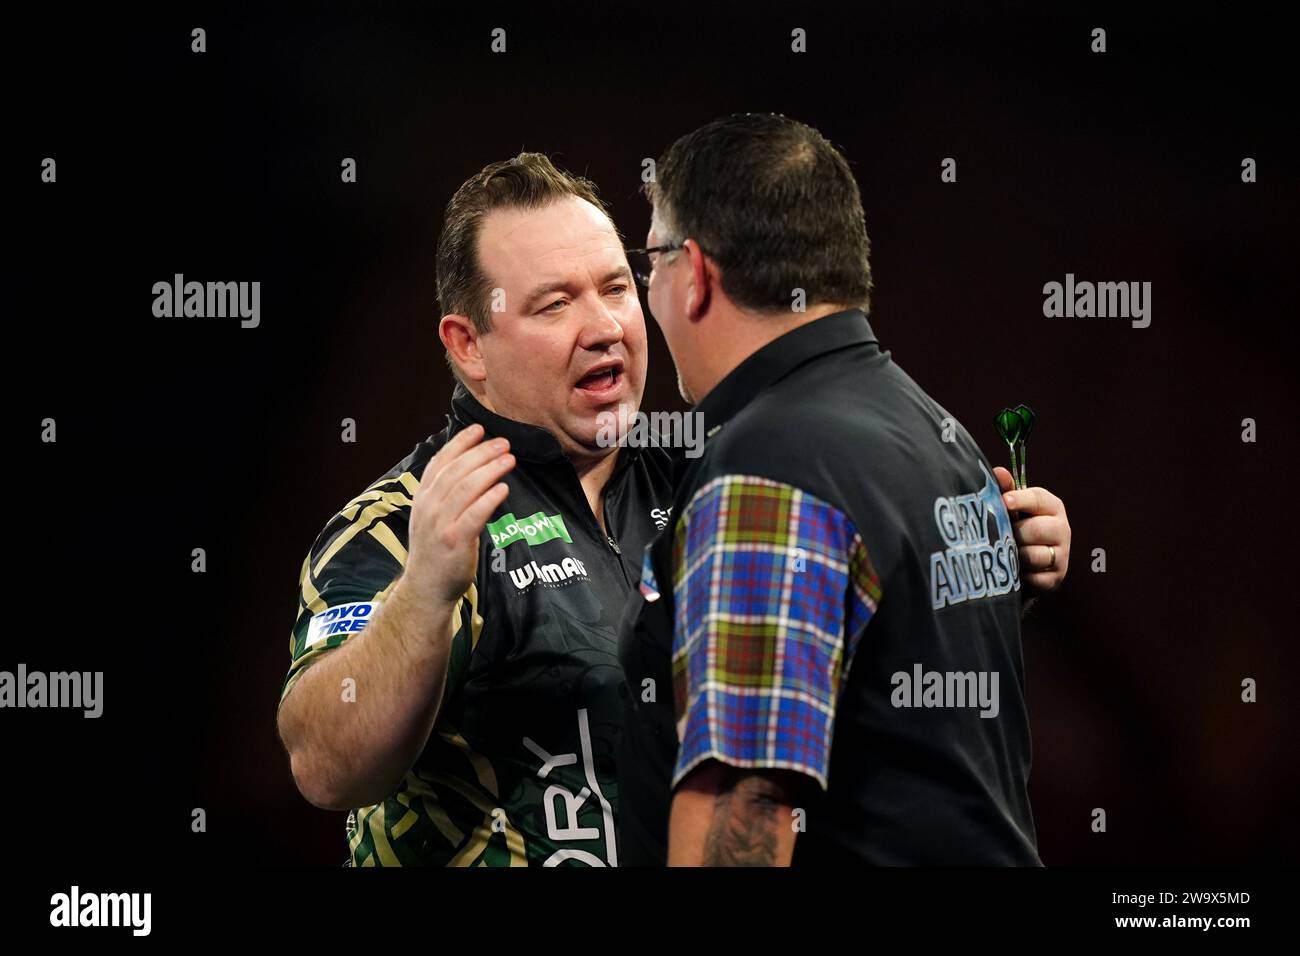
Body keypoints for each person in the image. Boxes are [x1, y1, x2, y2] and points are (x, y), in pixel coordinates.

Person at [617, 113, 1072, 866]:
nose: (646, 294)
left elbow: (747, 803)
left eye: (652, 262)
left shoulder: (768, 466)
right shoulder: (942, 437)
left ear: (695, 274)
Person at [276, 153, 672, 865]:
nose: (605, 326)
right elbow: (323, 764)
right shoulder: (400, 523)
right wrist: (425, 590)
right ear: (469, 346)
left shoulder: (707, 489)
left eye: (616, 288)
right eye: (554, 304)